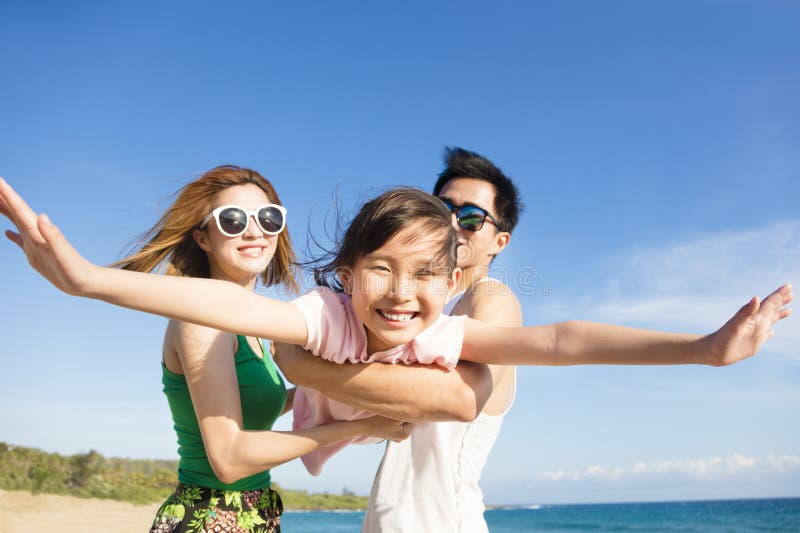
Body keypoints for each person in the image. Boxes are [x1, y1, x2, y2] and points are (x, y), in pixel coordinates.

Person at [0, 175, 791, 509]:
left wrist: (703, 347)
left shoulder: (448, 327)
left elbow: (562, 338)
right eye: (379, 268)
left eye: (423, 273)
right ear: (344, 273)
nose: (402, 292)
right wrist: (89, 281)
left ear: (453, 281)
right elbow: (209, 303)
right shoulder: (326, 316)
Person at [13, 166, 412, 533]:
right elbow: (230, 458)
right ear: (202, 236)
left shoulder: (253, 328)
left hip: (249, 514)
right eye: (233, 220)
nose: (254, 231)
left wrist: (359, 394)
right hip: (210, 517)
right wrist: (360, 427)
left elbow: (252, 404)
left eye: (268, 218)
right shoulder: (203, 324)